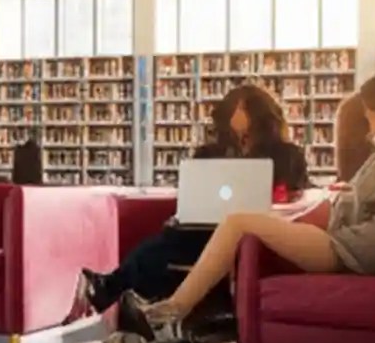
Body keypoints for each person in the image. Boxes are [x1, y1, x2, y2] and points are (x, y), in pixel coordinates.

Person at [137, 74, 375, 326]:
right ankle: (181, 308)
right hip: (364, 249)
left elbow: (349, 210)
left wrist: (336, 198)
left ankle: (172, 309)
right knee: (259, 223)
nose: (365, 120)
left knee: (237, 221)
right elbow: (367, 202)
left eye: (366, 112)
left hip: (351, 252)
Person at [66, 83, 308, 319]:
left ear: (258, 111)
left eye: (242, 107)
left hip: (257, 231)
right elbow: (197, 193)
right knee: (168, 243)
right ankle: (126, 300)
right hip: (208, 230)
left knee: (168, 247)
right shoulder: (209, 153)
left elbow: (299, 193)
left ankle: (110, 290)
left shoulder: (287, 154)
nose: (236, 112)